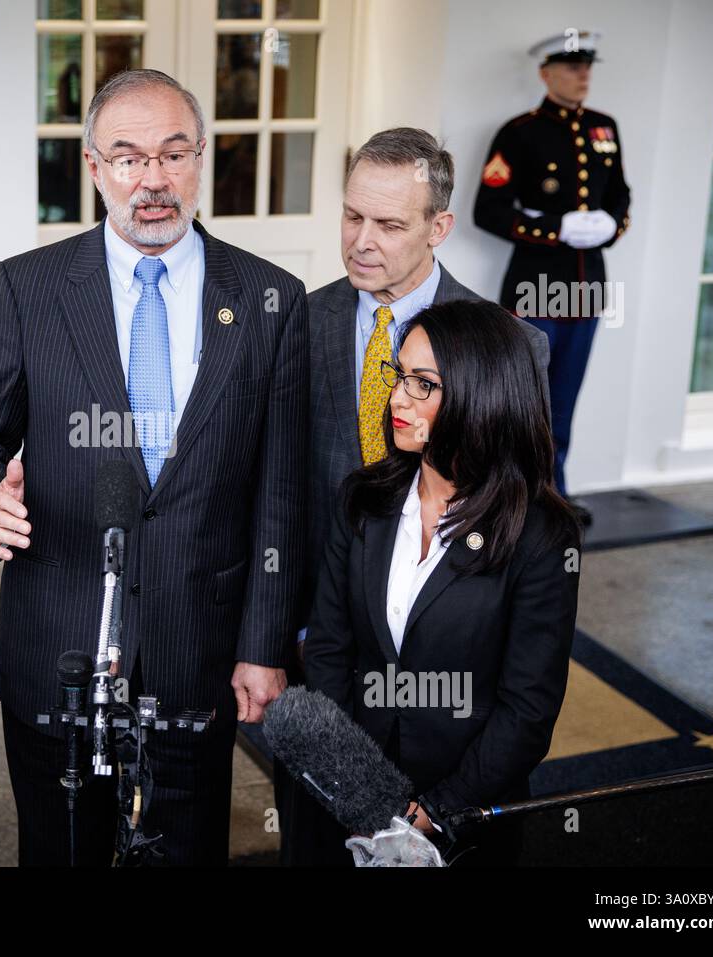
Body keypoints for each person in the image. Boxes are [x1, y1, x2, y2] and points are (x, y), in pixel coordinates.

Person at [0, 69, 307, 866]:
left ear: (201, 160)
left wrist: (264, 642)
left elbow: (281, 494)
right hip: (60, 648)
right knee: (62, 851)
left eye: (174, 155)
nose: (153, 180)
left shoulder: (271, 299)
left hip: (199, 648)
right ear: (93, 168)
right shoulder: (28, 288)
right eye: (129, 156)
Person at [279, 128, 552, 866]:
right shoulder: (298, 322)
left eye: (390, 224)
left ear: (439, 227)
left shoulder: (510, 345)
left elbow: (526, 534)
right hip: (319, 657)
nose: (361, 241)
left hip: (458, 704)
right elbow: (274, 491)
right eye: (351, 216)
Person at [304, 298, 582, 866]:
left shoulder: (542, 534)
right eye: (399, 375)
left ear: (483, 394)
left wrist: (433, 809)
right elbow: (329, 650)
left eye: (423, 384)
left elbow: (527, 710)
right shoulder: (365, 498)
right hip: (348, 797)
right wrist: (352, 780)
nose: (397, 398)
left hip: (466, 814)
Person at [474, 31, 631, 521]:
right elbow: (489, 210)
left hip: (585, 290)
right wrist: (553, 229)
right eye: (571, 66)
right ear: (546, 72)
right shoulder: (519, 132)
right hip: (535, 287)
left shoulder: (605, 127)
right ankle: (515, 494)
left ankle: (553, 491)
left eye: (587, 65)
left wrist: (611, 225)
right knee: (526, 400)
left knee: (563, 398)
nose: (583, 74)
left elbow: (620, 195)